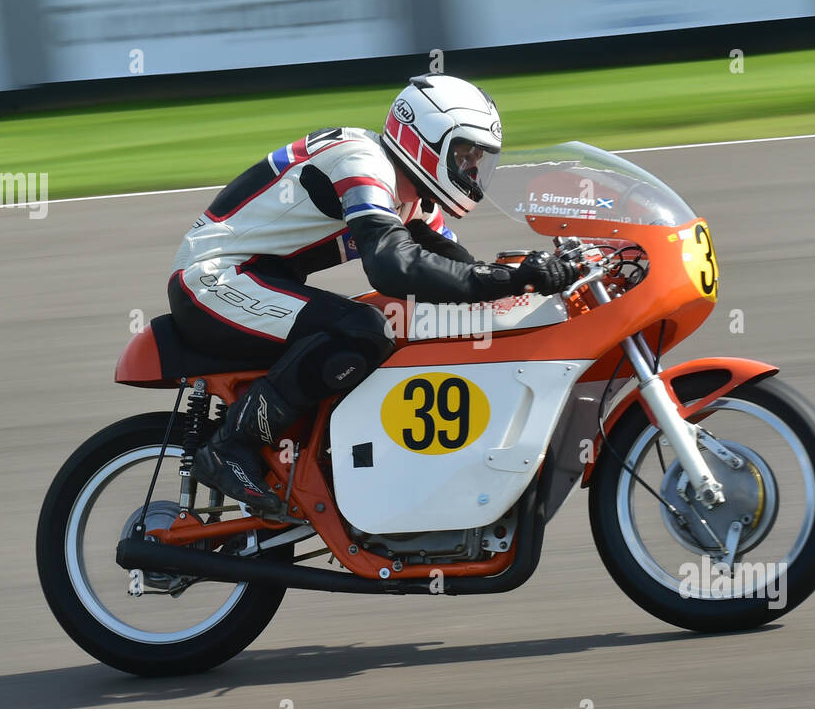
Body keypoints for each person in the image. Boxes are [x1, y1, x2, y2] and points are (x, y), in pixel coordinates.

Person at [169, 73, 574, 513]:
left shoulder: (415, 197)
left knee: (403, 331)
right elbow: (392, 265)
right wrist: (509, 279)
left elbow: (457, 272)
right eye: (463, 155)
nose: (472, 171)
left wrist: (541, 274)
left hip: (258, 278)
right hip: (213, 280)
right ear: (425, 137)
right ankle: (230, 445)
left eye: (478, 161)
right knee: (363, 329)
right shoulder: (361, 161)